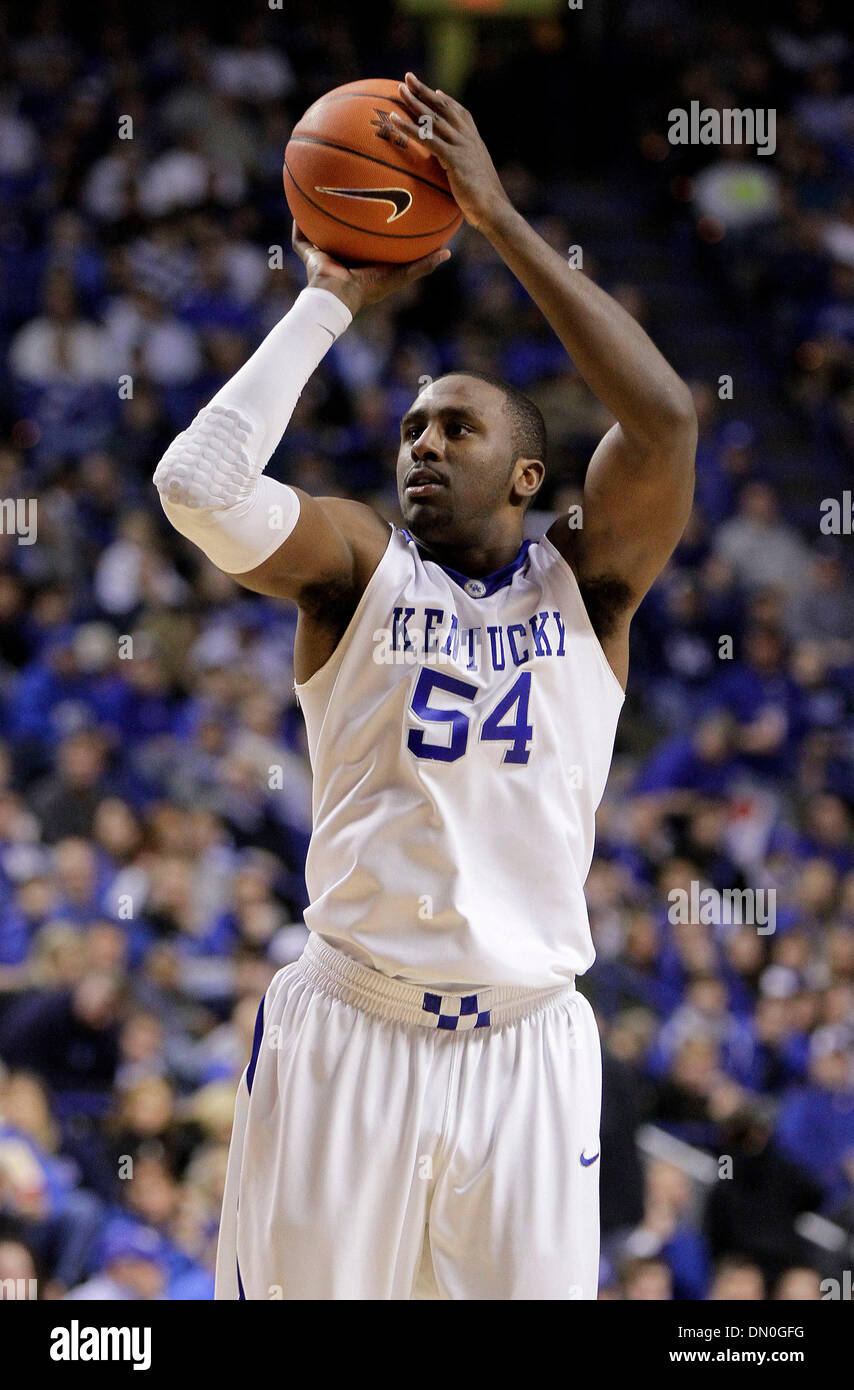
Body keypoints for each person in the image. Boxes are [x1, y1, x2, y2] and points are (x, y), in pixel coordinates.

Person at [154, 73, 696, 1300]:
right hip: (351, 1028)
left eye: (456, 427)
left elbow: (662, 419)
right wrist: (326, 302)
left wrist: (497, 220)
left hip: (528, 1044)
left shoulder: (590, 587)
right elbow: (196, 486)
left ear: (526, 475)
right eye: (409, 428)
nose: (421, 443)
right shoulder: (353, 569)